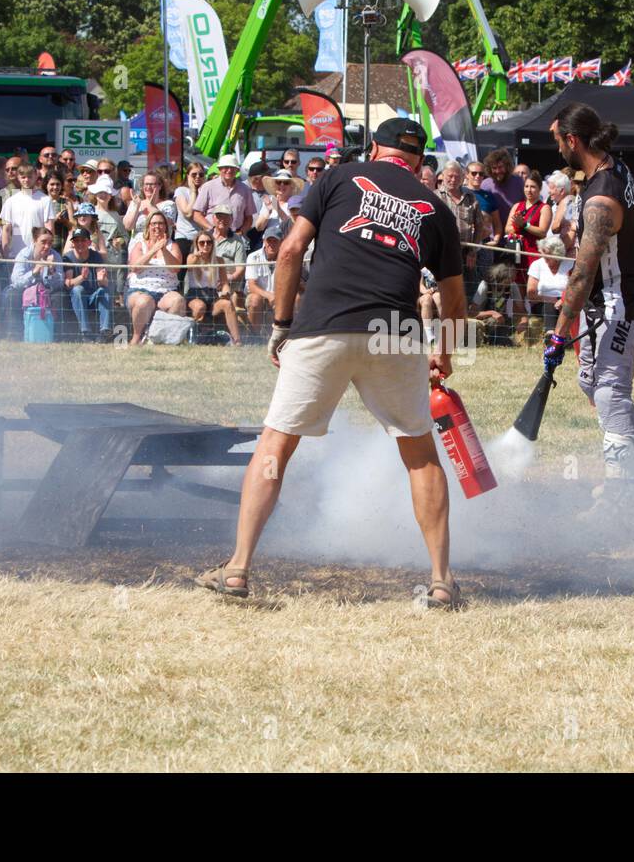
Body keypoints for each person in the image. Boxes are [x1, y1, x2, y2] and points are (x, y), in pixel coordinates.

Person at [198, 117, 466, 609]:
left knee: (276, 444)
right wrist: (444, 354)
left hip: (324, 323)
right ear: (418, 161)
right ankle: (441, 580)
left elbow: (291, 251)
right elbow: (454, 299)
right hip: (396, 332)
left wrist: (281, 325)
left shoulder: (338, 177)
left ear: (373, 148)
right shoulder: (437, 209)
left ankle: (237, 570)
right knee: (421, 455)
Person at [542, 101, 634, 506]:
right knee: (590, 382)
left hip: (619, 300)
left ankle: (619, 491)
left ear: (573, 140)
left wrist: (559, 335)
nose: (557, 149)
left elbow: (581, 273)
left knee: (610, 390)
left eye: (559, 140)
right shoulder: (614, 167)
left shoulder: (600, 201)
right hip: (604, 296)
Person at [125, 211, 186, 345]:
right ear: (148, 227)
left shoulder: (173, 246)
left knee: (178, 300)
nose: (157, 227)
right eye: (153, 224)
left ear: (166, 227)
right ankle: (136, 338)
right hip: (140, 289)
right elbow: (135, 267)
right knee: (144, 301)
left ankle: (159, 338)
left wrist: (163, 249)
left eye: (160, 223)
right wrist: (154, 249)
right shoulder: (140, 245)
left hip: (166, 291)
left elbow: (175, 268)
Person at [184, 232, 242, 345]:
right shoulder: (192, 257)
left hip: (212, 295)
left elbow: (224, 283)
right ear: (197, 244)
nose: (206, 245)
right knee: (200, 306)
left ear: (212, 244)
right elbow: (189, 266)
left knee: (228, 304)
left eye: (209, 242)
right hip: (195, 294)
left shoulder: (219, 260)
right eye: (202, 242)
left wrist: (226, 292)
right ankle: (192, 337)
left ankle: (237, 340)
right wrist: (197, 256)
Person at [62, 226, 112, 341]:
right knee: (77, 289)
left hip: (93, 296)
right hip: (76, 299)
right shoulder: (68, 257)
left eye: (83, 240)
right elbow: (68, 283)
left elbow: (104, 282)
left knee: (104, 291)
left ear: (89, 242)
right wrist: (82, 277)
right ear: (72, 243)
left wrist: (102, 280)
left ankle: (105, 331)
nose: (79, 243)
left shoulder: (96, 256)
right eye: (76, 241)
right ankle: (86, 332)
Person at [191, 154, 253, 237]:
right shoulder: (208, 187)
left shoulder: (245, 190)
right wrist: (212, 229)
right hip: (213, 237)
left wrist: (241, 233)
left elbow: (249, 218)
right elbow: (196, 215)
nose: (229, 170)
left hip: (236, 237)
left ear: (237, 170)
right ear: (219, 169)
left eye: (232, 168)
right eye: (226, 167)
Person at [0, 164, 50, 258]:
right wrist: (5, 253)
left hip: (38, 254)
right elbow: (6, 229)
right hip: (15, 254)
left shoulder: (46, 200)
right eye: (23, 177)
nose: (26, 180)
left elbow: (49, 228)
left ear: (36, 176)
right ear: (18, 177)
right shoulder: (10, 201)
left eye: (30, 177)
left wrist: (47, 252)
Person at [244, 225, 283, 332]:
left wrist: (277, 297)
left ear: (281, 243)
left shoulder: (286, 258)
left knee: (295, 299)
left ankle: (285, 335)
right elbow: (252, 286)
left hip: (278, 295)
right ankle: (255, 337)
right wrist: (270, 296)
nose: (271, 244)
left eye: (275, 241)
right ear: (263, 241)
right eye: (268, 241)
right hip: (259, 295)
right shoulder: (253, 256)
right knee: (255, 300)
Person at [256, 169, 304, 240]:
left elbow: (294, 227)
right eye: (278, 182)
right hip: (269, 243)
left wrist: (278, 209)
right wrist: (268, 212)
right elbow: (259, 227)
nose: (282, 185)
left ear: (292, 186)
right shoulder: (269, 200)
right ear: (274, 185)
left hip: (286, 242)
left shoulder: (296, 202)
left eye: (286, 182)